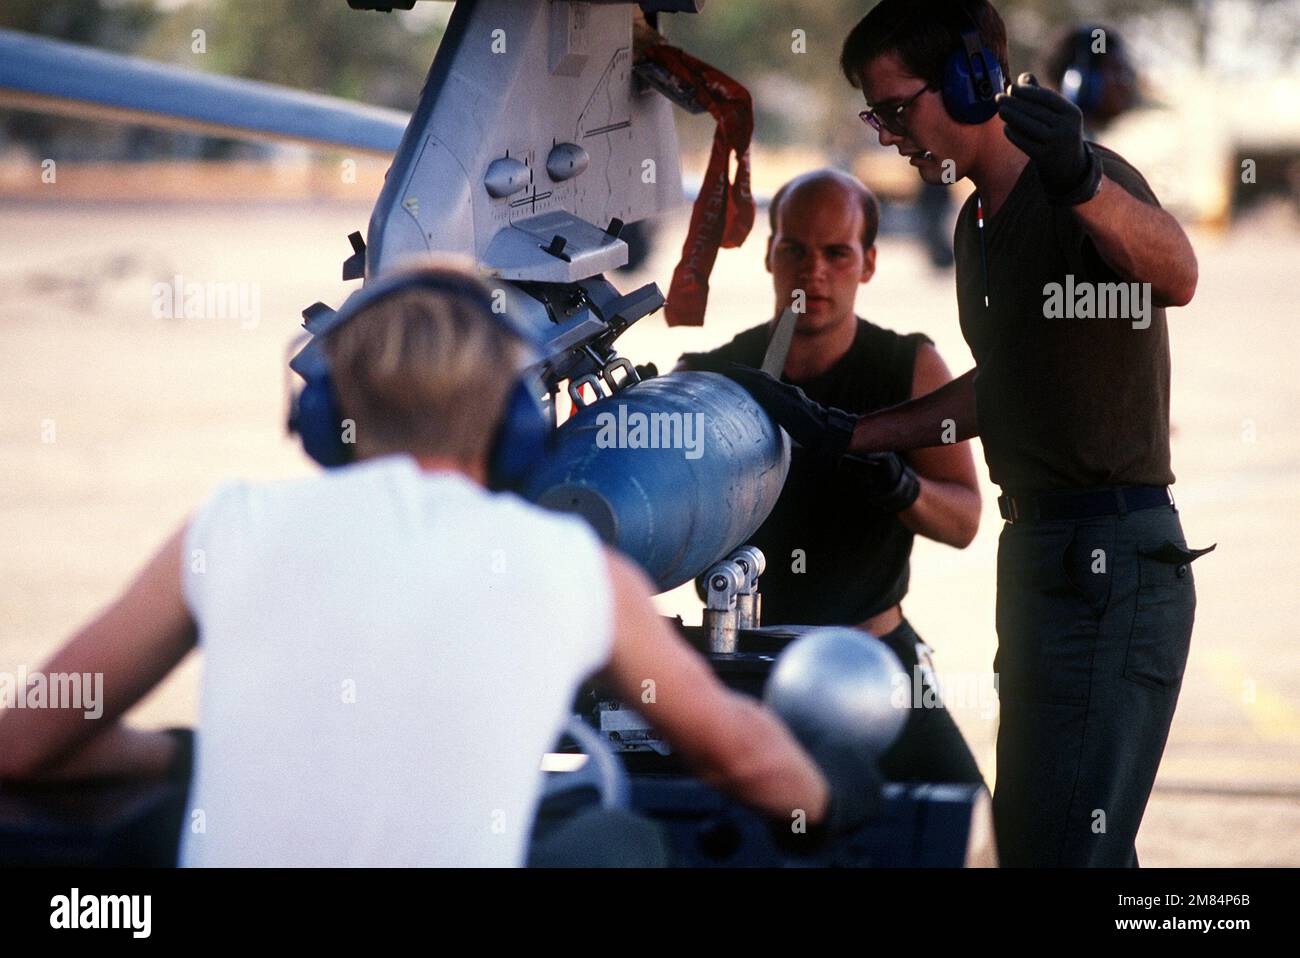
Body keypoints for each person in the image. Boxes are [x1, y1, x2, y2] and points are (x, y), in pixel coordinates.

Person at [0, 260, 864, 867]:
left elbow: (25, 743)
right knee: (622, 844)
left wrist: (189, 757)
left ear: (324, 416)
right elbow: (739, 759)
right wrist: (827, 800)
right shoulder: (564, 564)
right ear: (516, 429)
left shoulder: (229, 526)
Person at [717, 0, 1208, 866]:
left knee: (1056, 847)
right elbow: (1006, 388)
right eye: (878, 116)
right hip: (1042, 556)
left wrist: (1084, 180)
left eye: (898, 110)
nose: (891, 136)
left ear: (974, 82)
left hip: (1113, 558)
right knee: (1051, 839)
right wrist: (850, 435)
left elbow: (1177, 272)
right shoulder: (976, 225)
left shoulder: (1077, 184)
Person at [678, 168, 984, 786]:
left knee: (965, 821)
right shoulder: (710, 379)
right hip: (745, 663)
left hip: (873, 658)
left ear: (868, 263)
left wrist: (907, 491)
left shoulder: (909, 368)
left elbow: (965, 522)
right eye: (795, 249)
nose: (812, 272)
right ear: (769, 254)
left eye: (835, 253)